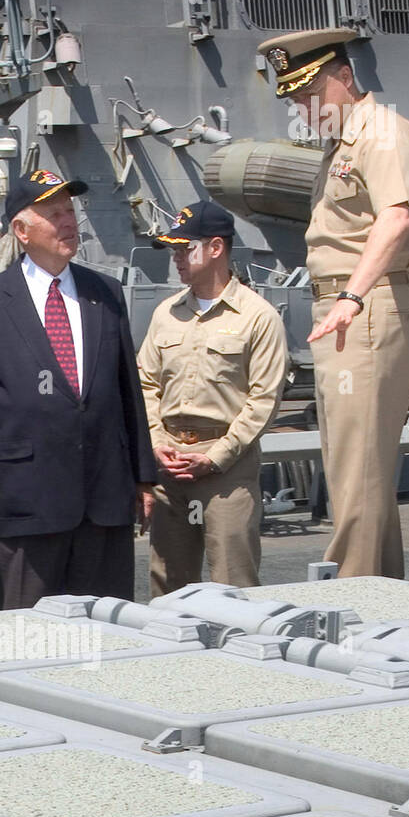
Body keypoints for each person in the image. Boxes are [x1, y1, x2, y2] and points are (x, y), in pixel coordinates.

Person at [258, 28, 409, 579]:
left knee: (357, 471)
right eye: (293, 99)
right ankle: (382, 591)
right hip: (346, 309)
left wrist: (353, 296)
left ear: (345, 77)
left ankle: (349, 596)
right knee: (358, 468)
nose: (303, 108)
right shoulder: (345, 145)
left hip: (366, 307)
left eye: (310, 93)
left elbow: (397, 217)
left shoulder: (381, 133)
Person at [0, 169, 157, 610]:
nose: (68, 222)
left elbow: (127, 391)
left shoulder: (105, 293)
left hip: (103, 499)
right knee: (30, 631)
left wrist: (142, 477)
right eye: (54, 214)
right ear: (21, 231)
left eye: (70, 211)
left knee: (108, 627)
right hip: (27, 501)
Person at [136, 202, 287, 593]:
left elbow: (264, 400)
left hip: (227, 470)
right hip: (170, 467)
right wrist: (156, 443)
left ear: (216, 248)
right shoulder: (166, 314)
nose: (177, 260)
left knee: (233, 582)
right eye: (174, 251)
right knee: (168, 586)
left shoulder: (258, 317)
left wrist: (215, 457)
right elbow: (146, 384)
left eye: (185, 249)